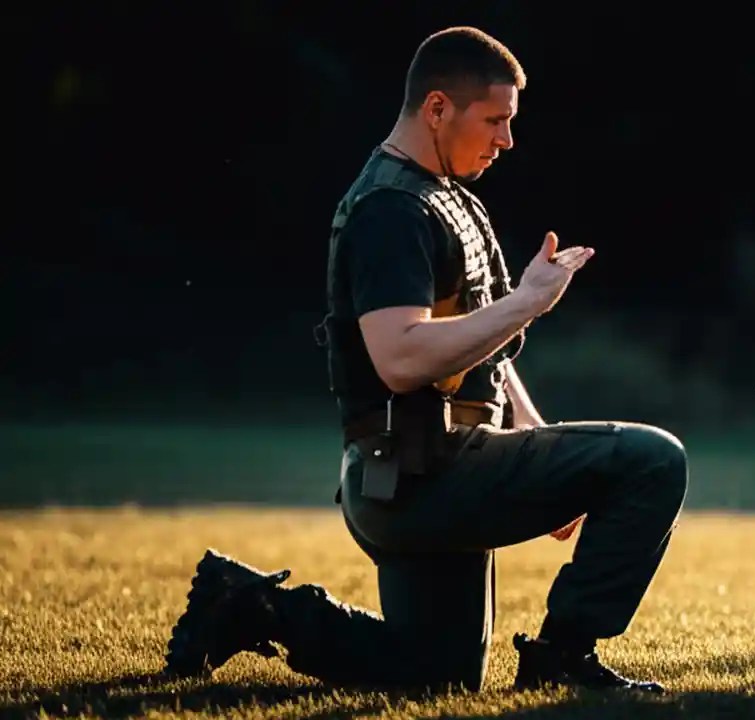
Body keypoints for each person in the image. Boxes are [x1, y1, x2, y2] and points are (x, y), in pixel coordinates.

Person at [162, 26, 688, 694]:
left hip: (427, 474)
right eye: (494, 120)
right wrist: (527, 303)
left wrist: (530, 429)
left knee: (438, 674)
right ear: (437, 108)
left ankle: (254, 607)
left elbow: (479, 345)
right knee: (654, 458)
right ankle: (564, 658)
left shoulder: (449, 198)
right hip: (419, 480)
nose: (507, 140)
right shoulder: (391, 210)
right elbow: (400, 359)